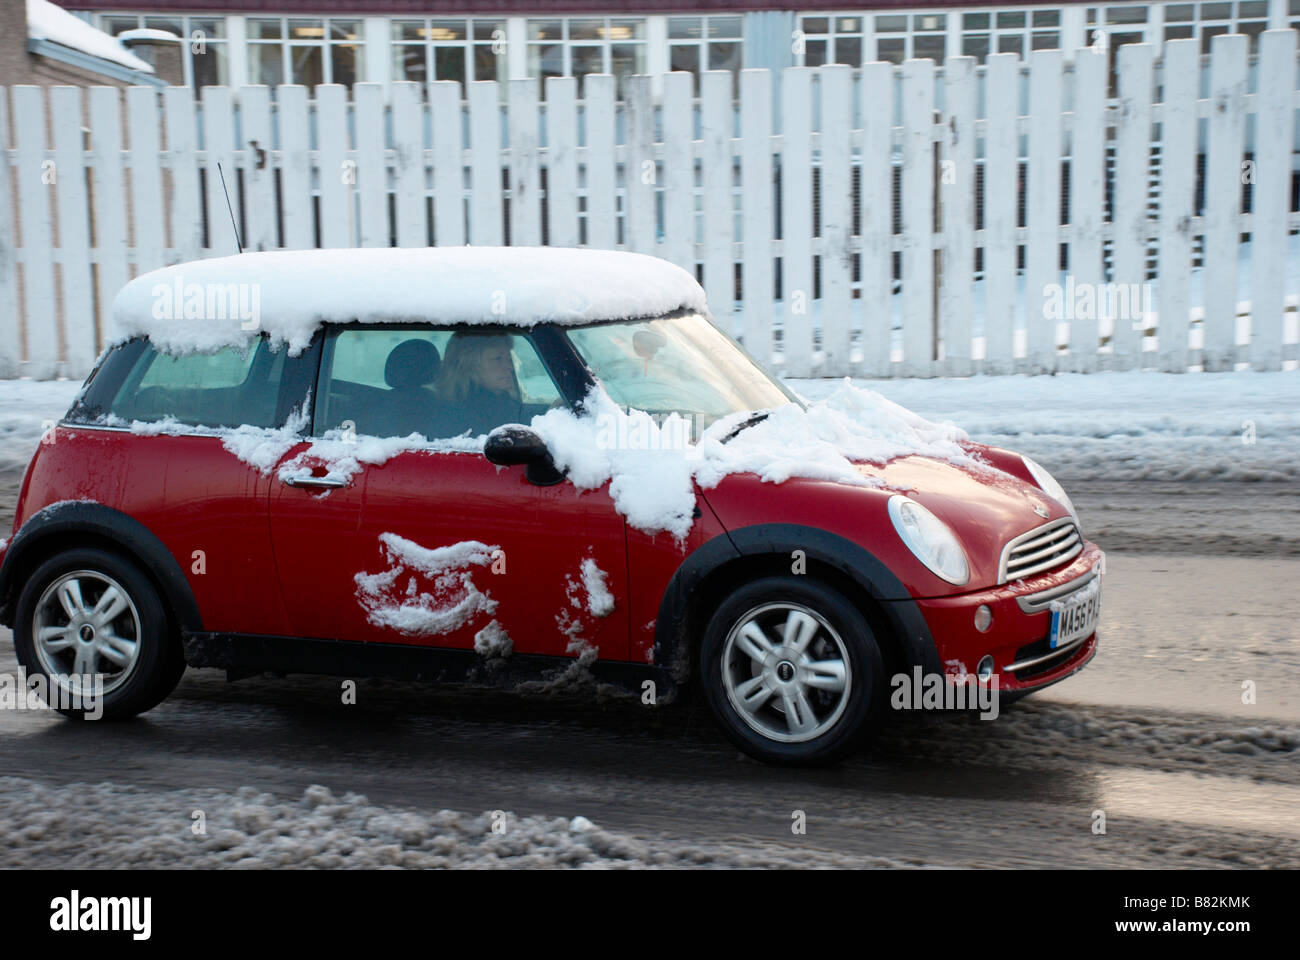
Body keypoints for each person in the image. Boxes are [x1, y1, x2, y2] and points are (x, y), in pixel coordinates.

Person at [432, 332, 546, 438]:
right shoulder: (457, 417)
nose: (510, 367)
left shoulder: (503, 401)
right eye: (497, 359)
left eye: (509, 358)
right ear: (469, 365)